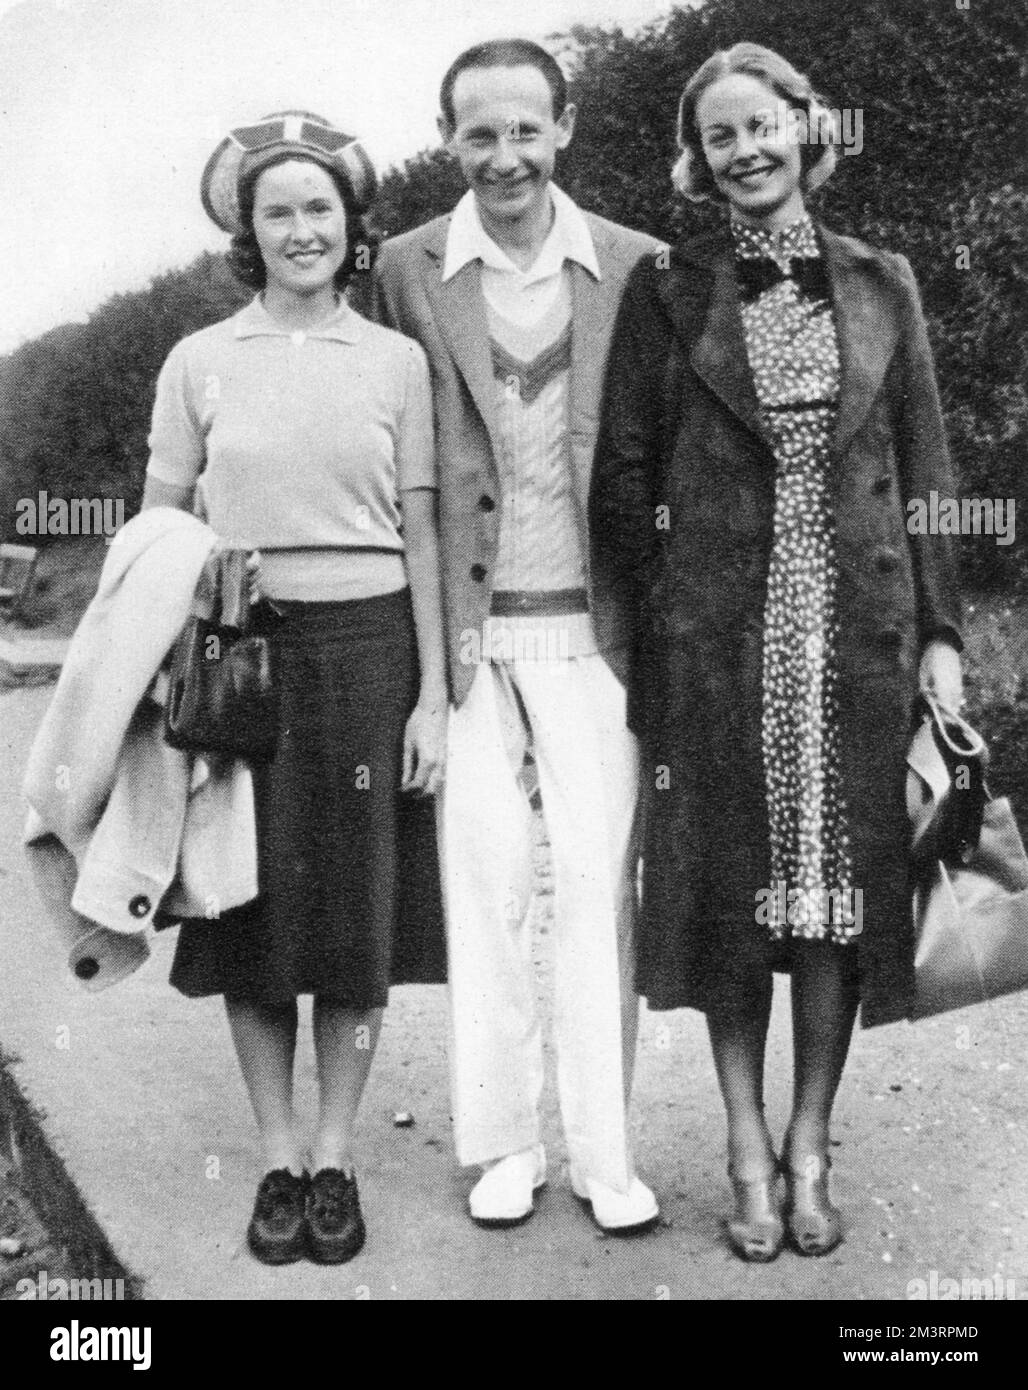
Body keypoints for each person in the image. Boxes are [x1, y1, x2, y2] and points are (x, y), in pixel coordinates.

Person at [590, 44, 963, 1261]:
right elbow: (624, 477)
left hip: (856, 633)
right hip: (721, 644)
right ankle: (745, 1148)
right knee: (733, 904)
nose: (745, 151)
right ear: (695, 161)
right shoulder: (664, 288)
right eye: (719, 137)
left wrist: (942, 640)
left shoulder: (880, 280)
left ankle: (810, 1144)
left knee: (839, 906)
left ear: (807, 130)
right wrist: (665, 620)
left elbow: (925, 474)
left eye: (764, 126)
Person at [141, 112, 448, 1266]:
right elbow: (160, 528)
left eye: (321, 207)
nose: (302, 228)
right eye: (279, 211)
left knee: (355, 912)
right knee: (251, 908)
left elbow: (419, 527)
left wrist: (431, 697)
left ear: (350, 224)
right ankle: (273, 1156)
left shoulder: (397, 361)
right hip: (240, 652)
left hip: (371, 652)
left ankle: (336, 1156)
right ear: (247, 230)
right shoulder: (199, 360)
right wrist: (154, 675)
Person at [373, 39, 662, 1232]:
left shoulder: (639, 267)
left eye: (524, 130)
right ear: (450, 140)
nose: (504, 157)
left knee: (600, 889)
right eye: (477, 134)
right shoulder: (403, 268)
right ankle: (502, 1144)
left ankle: (603, 1152)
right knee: (482, 881)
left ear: (565, 129)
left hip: (596, 634)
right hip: (467, 634)